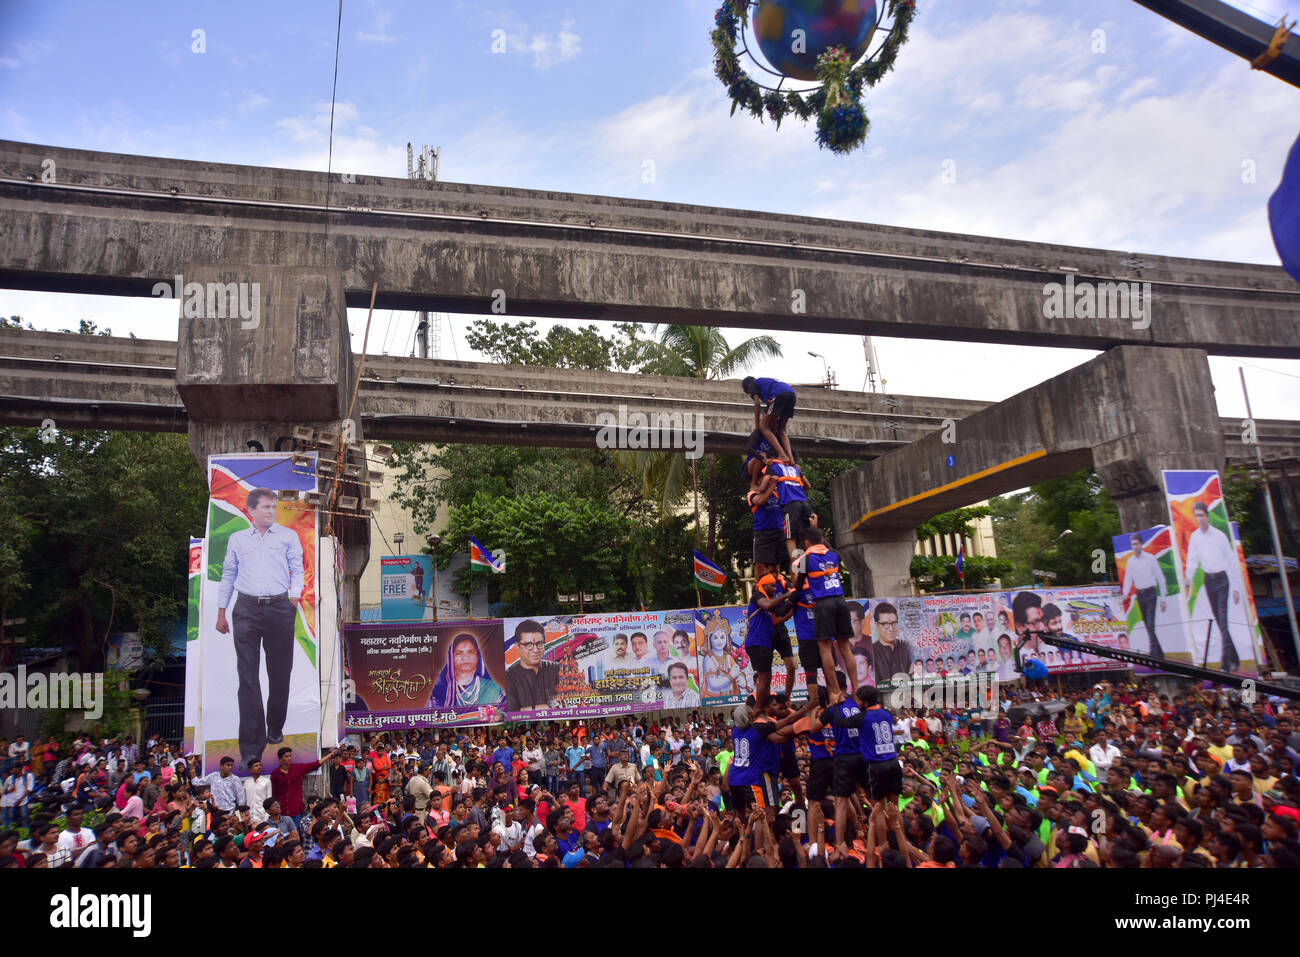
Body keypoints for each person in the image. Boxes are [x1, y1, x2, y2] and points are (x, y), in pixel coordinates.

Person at [216, 486, 306, 766]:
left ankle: (275, 726)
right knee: (247, 677)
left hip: (280, 607)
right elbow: (228, 574)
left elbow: (298, 568)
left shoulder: (288, 536)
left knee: (280, 673)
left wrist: (293, 598)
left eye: (273, 506)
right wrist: (222, 612)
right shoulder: (237, 539)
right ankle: (251, 749)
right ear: (251, 510)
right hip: (245, 609)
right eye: (265, 507)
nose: (271, 510)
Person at [1183, 501, 1241, 672]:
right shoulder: (1195, 537)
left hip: (1223, 580)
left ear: (1207, 516)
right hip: (1209, 580)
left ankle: (1226, 663)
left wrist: (1236, 588)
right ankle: (1234, 657)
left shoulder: (1219, 536)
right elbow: (1192, 561)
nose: (1199, 519)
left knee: (1222, 618)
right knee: (1219, 621)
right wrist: (1188, 579)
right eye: (1197, 516)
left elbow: (1231, 561)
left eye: (1202, 515)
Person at [803, 527, 856, 702]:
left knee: (825, 648)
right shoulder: (833, 554)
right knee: (845, 647)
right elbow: (826, 545)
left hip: (823, 604)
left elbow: (797, 584)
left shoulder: (806, 558)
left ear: (807, 543)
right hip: (840, 601)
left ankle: (835, 692)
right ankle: (856, 690)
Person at [1122, 533, 1167, 659]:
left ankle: (1153, 654)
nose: (1134, 547)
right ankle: (1160, 653)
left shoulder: (1150, 558)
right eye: (1132, 544)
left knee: (1151, 622)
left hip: (1151, 593)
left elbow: (1160, 578)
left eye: (1136, 544)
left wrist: (1163, 598)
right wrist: (1125, 594)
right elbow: (1128, 580)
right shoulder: (1130, 562)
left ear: (1141, 545)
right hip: (1140, 594)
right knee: (1148, 625)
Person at [504, 620, 561, 712]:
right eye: (529, 645)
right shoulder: (508, 676)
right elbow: (510, 711)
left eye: (540, 644)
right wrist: (537, 708)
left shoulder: (557, 669)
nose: (535, 650)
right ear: (517, 647)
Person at [433, 633, 504, 707]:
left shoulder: (492, 689)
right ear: (451, 658)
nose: (465, 658)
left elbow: (503, 715)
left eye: (471, 652)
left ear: (478, 656)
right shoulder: (440, 691)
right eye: (459, 653)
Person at [741, 375, 796, 463]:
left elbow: (757, 405)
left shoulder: (753, 384)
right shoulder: (765, 385)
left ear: (748, 386)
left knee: (763, 427)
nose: (751, 394)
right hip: (792, 394)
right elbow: (771, 411)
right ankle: (791, 459)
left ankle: (782, 455)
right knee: (781, 430)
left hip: (779, 395)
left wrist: (757, 427)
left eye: (748, 392)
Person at [870, 602, 913, 680]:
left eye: (894, 623)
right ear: (876, 625)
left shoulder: (906, 646)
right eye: (885, 624)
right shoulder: (872, 651)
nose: (891, 629)